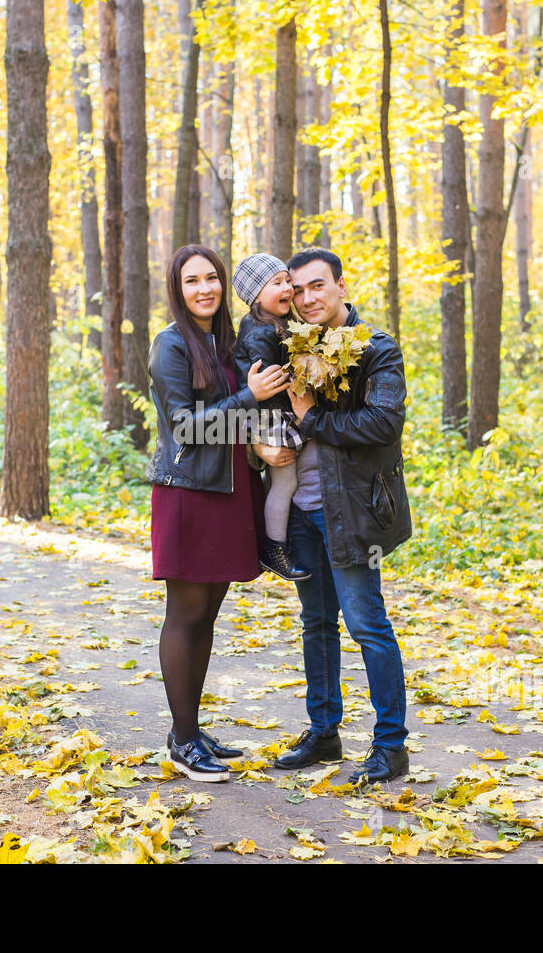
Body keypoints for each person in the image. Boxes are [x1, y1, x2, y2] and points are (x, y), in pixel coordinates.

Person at [146, 244, 292, 782]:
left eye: (212, 278)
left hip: (230, 491)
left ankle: (189, 728)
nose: (204, 288)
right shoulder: (170, 345)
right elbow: (185, 427)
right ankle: (183, 742)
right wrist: (247, 398)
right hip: (188, 494)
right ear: (177, 290)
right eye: (192, 281)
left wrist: (260, 445)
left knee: (207, 615)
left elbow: (235, 422)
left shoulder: (225, 343)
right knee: (185, 614)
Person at [268, 247, 414, 786]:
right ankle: (324, 732)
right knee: (316, 624)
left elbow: (382, 426)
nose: (307, 298)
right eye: (297, 290)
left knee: (367, 624)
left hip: (350, 512)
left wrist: (312, 418)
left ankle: (390, 746)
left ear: (341, 286)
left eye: (317, 287)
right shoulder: (288, 346)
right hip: (302, 510)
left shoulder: (375, 349)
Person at [231, 253, 310, 582]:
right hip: (270, 416)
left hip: (270, 413)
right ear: (255, 295)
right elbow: (268, 380)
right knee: (286, 481)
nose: (287, 288)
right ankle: (273, 548)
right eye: (276, 283)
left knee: (281, 482)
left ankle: (269, 539)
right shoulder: (260, 333)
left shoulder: (268, 325)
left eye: (287, 281)